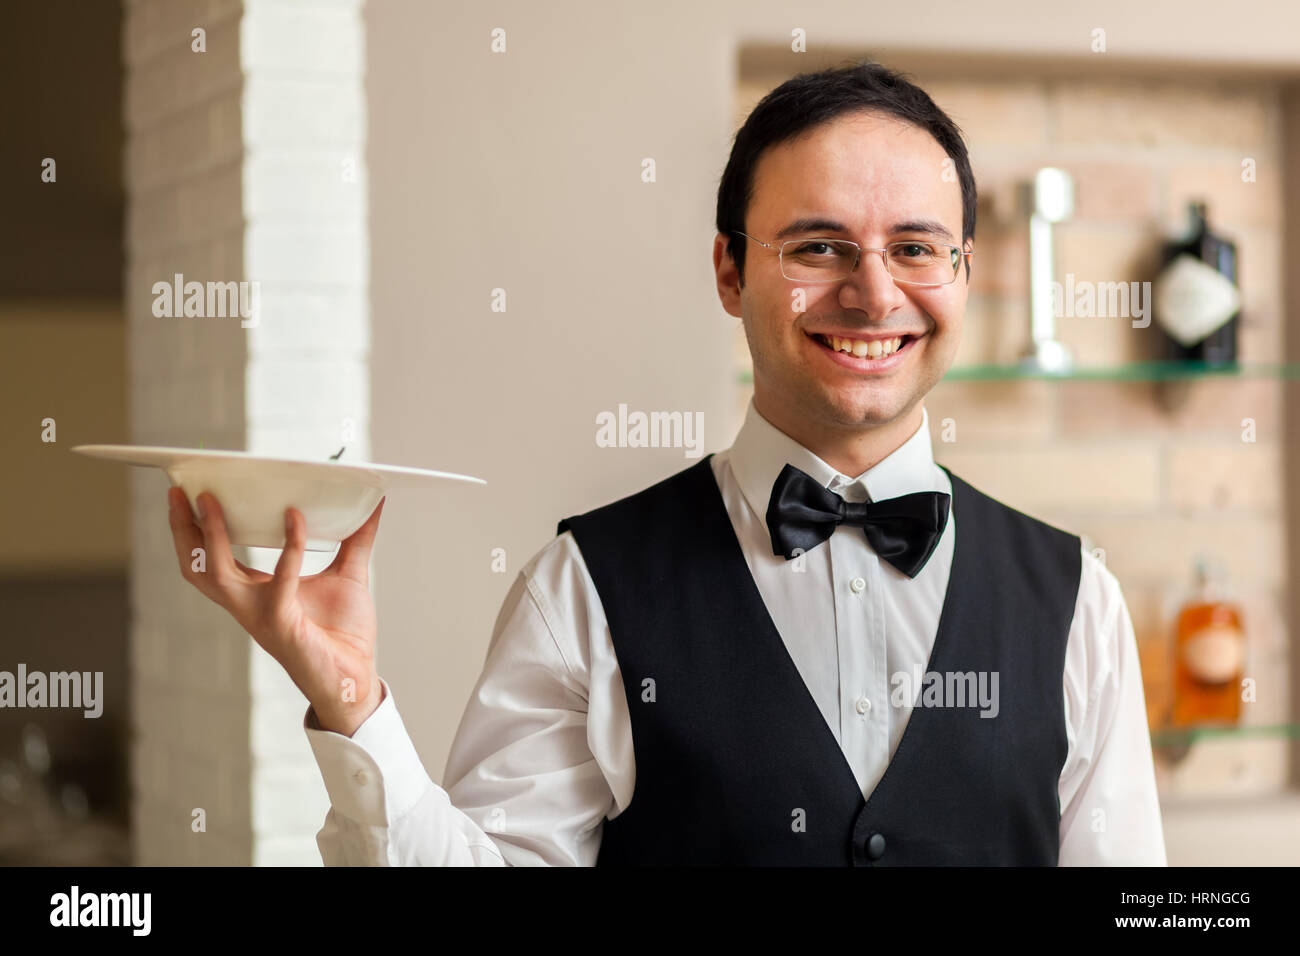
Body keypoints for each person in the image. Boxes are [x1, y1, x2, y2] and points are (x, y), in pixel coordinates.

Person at [168, 60, 1166, 866]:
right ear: (728, 270)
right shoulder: (585, 587)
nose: (872, 293)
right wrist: (351, 703)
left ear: (961, 273)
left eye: (914, 247)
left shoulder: (1077, 599)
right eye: (817, 247)